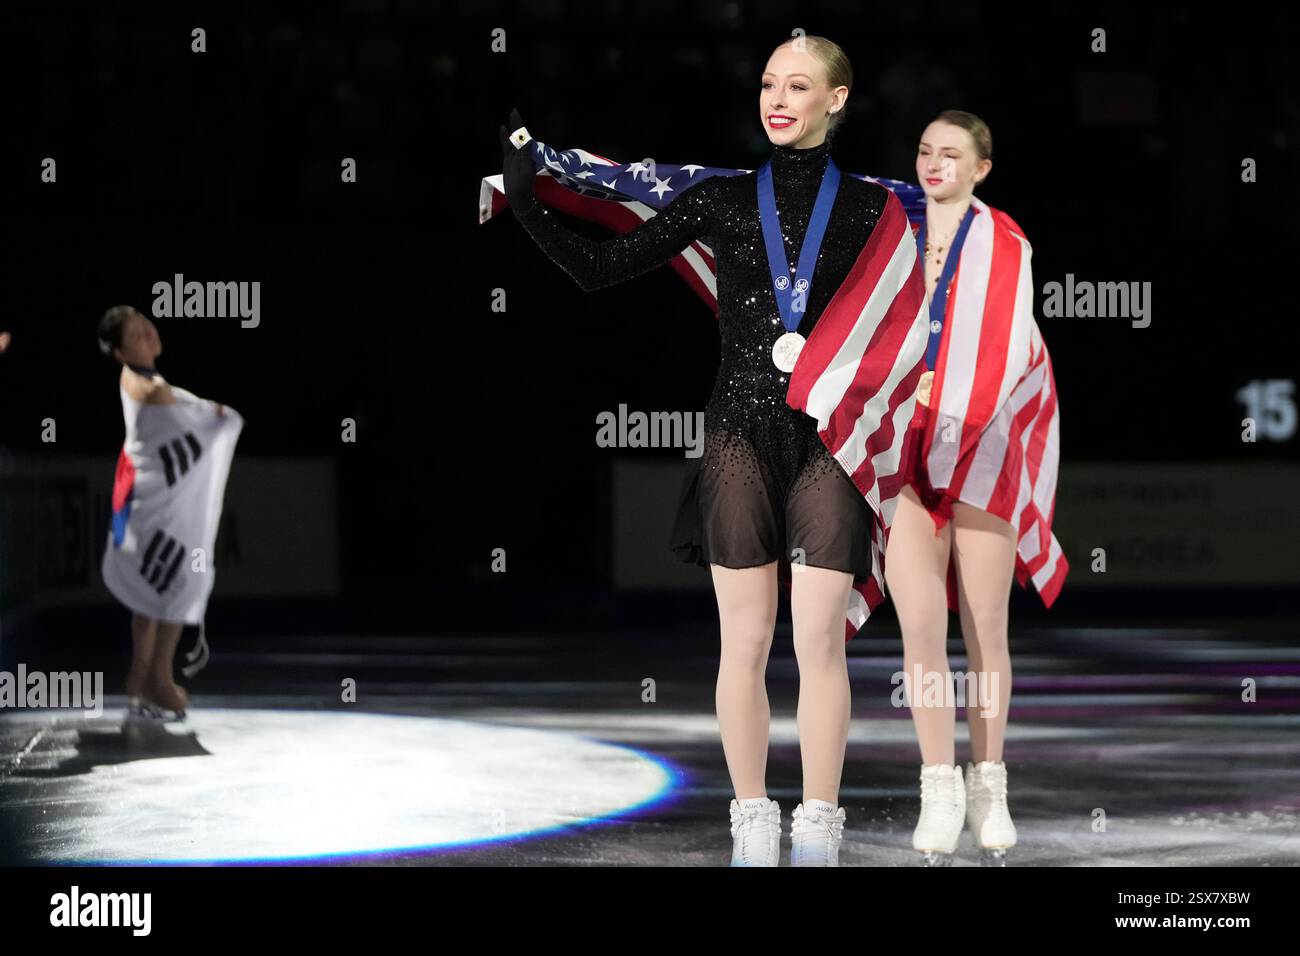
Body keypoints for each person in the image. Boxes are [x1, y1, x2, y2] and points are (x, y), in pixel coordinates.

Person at [499, 36, 923, 866]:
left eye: (798, 85)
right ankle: (754, 823)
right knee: (746, 642)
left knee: (820, 644)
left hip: (830, 440)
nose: (777, 98)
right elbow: (597, 269)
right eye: (768, 83)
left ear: (837, 100)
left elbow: (911, 336)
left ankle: (821, 832)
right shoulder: (723, 200)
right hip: (738, 431)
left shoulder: (877, 213)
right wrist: (528, 205)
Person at [887, 111, 1066, 865]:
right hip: (905, 447)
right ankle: (938, 783)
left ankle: (989, 782)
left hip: (982, 447)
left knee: (985, 631)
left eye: (951, 155)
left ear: (981, 168)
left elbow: (997, 349)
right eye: (926, 151)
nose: (934, 164)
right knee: (922, 628)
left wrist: (946, 402)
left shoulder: (1005, 240)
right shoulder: (888, 227)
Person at [96, 305, 244, 723]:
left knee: (155, 586)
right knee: (174, 579)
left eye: (148, 327)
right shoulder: (142, 384)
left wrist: (193, 409)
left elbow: (174, 407)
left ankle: (143, 678)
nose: (149, 334)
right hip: (154, 502)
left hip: (155, 498)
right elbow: (169, 408)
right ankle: (157, 676)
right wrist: (205, 414)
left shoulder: (152, 382)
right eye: (137, 334)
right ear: (121, 352)